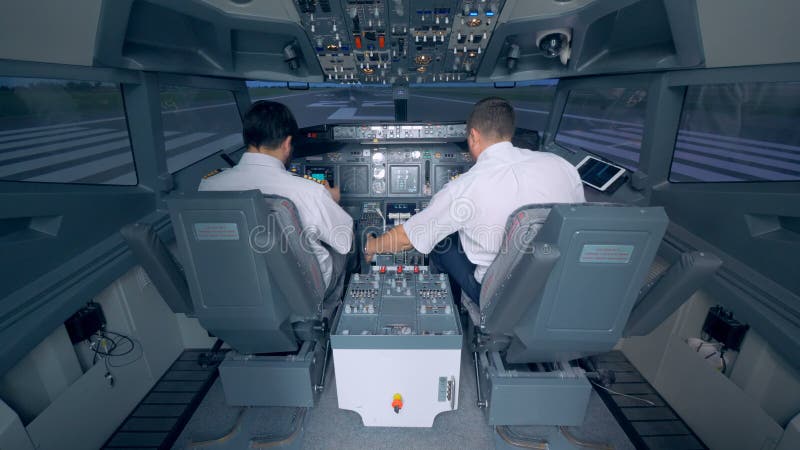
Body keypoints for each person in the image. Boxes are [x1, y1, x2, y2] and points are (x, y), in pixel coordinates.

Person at [364, 97, 585, 302]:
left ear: (473, 136)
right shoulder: (561, 166)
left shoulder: (465, 187)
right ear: (509, 132)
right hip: (558, 286)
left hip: (501, 296)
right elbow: (577, 222)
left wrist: (372, 246)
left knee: (440, 241)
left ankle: (443, 305)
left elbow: (407, 238)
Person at [200, 100, 354, 302]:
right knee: (348, 246)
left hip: (235, 289)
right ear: (287, 143)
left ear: (248, 138)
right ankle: (329, 312)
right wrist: (333, 203)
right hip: (302, 295)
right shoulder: (309, 191)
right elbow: (344, 241)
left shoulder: (209, 185)